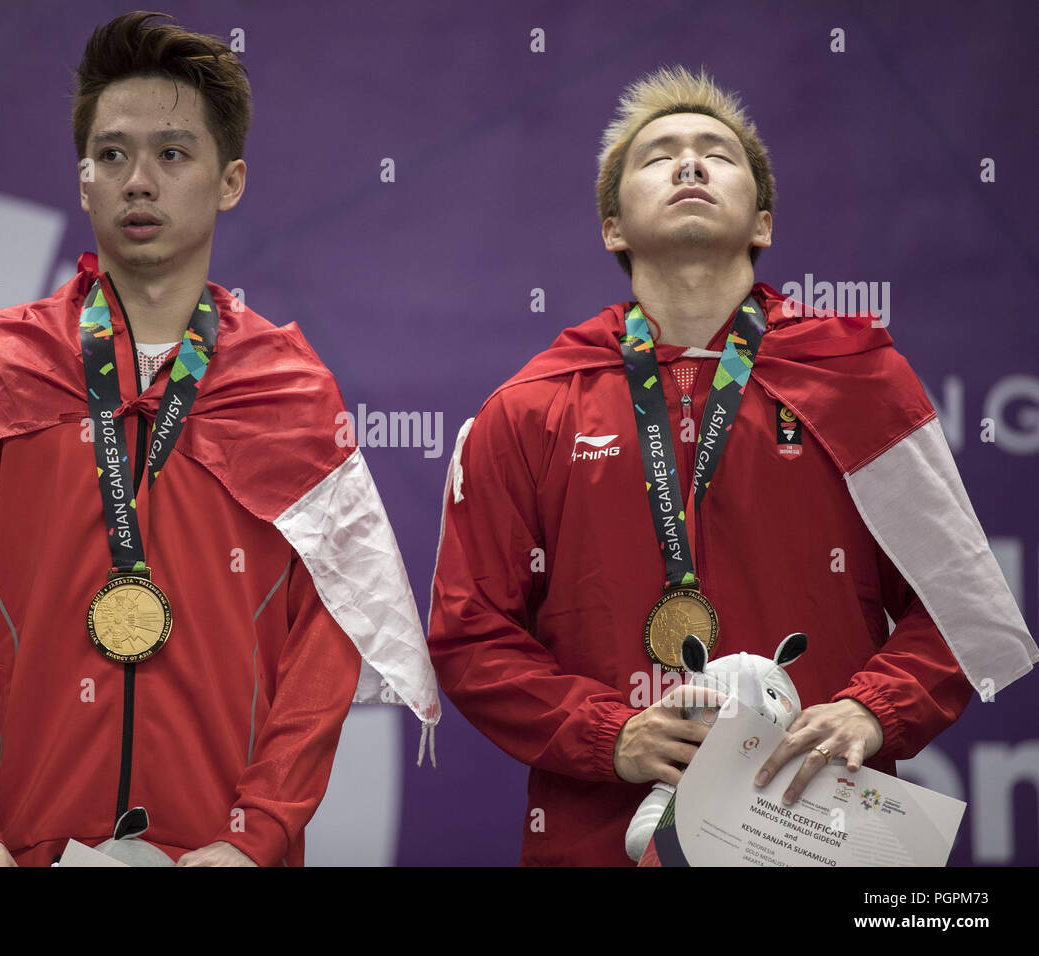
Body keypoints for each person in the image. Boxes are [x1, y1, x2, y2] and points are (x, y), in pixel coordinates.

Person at [0, 12, 438, 868]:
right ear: (84, 180)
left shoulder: (285, 388)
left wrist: (259, 835)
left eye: (172, 154)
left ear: (229, 179)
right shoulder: (2, 367)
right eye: (112, 154)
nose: (139, 181)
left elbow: (329, 635)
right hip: (16, 851)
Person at [426, 65, 1036, 866]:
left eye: (716, 152)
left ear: (764, 221)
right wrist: (612, 734)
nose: (688, 163)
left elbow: (961, 605)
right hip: (604, 838)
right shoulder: (534, 404)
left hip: (821, 831)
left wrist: (871, 710)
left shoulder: (857, 379)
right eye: (659, 155)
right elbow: (471, 634)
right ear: (613, 227)